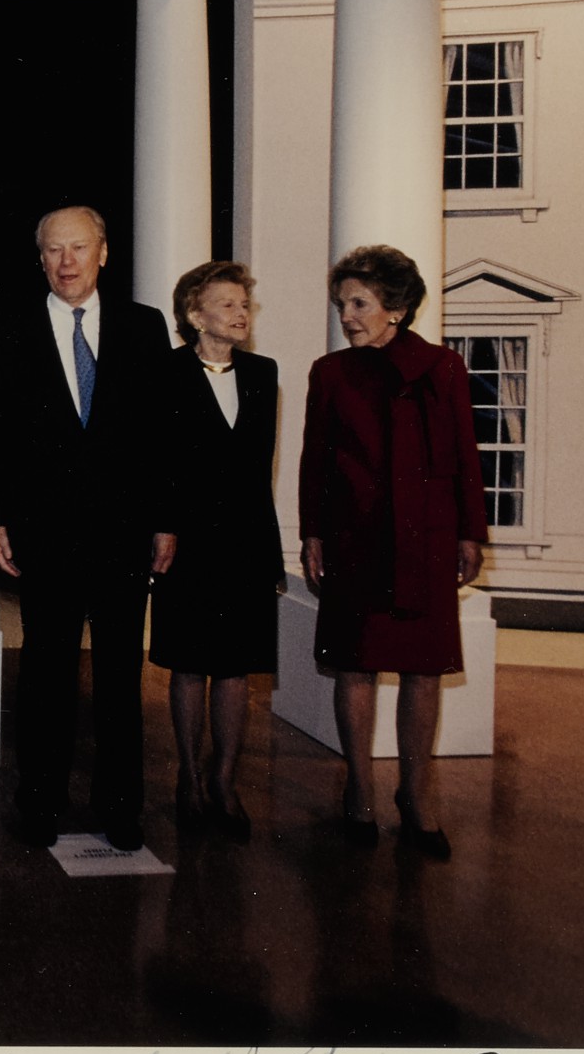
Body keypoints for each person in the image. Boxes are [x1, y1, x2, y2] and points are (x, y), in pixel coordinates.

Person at [0, 205, 176, 853]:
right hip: (46, 531)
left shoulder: (145, 328)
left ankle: (121, 807)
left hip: (124, 532)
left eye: (79, 248)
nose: (67, 262)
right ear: (39, 259)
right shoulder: (7, 330)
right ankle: (39, 801)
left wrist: (164, 520)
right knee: (46, 673)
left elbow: (159, 435)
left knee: (122, 675)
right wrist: (0, 516)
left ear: (104, 253)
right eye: (54, 250)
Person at [298, 244, 488, 858]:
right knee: (355, 664)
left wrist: (470, 533)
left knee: (423, 669)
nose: (347, 315)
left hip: (426, 540)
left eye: (359, 303)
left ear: (397, 308)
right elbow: (315, 464)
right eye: (342, 304)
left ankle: (416, 793)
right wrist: (312, 534)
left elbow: (464, 455)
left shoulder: (444, 368)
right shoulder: (330, 373)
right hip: (354, 537)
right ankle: (359, 787)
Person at [148, 261, 282, 842]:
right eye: (227, 305)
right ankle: (190, 778)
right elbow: (157, 462)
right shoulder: (167, 371)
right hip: (186, 541)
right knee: (190, 661)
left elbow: (258, 467)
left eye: (244, 304)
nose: (240, 313)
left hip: (246, 538)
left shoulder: (262, 373)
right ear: (195, 316)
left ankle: (225, 781)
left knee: (236, 667)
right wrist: (163, 524)